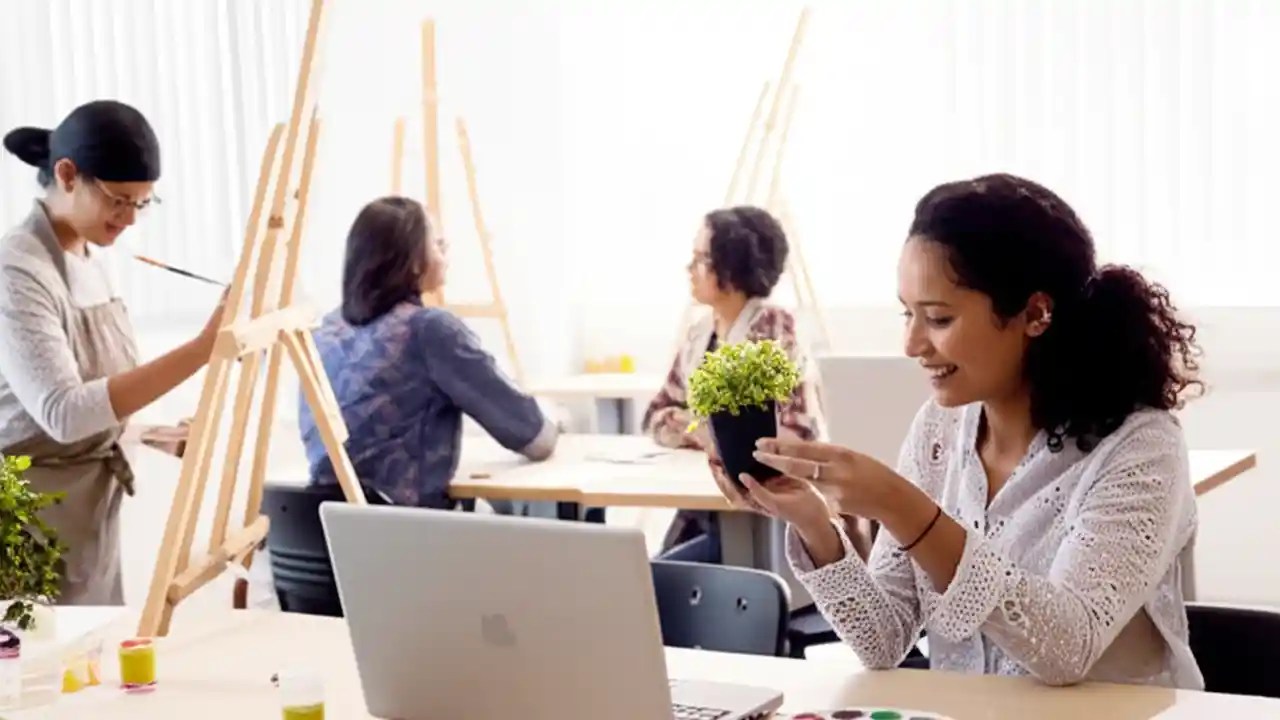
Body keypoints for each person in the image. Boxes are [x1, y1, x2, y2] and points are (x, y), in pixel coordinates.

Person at [715, 173, 1205, 689]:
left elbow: (1067, 647)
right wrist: (816, 525)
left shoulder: (1141, 447)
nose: (912, 344)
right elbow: (884, 640)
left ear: (1035, 312)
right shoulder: (939, 431)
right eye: (908, 315)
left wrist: (902, 507)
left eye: (939, 318)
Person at [0, 100, 226, 605]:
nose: (129, 219)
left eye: (142, 203)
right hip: (25, 527)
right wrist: (204, 348)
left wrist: (153, 435)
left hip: (85, 521)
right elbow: (61, 413)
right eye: (119, 201)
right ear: (67, 175)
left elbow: (96, 405)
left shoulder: (86, 254)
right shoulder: (18, 269)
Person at [298, 196, 557, 509]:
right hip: (408, 539)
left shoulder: (323, 332)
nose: (446, 252)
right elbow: (536, 438)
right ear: (415, 262)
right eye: (437, 243)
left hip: (328, 537)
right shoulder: (429, 330)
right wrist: (556, 418)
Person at [641, 205, 826, 563]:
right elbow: (656, 415)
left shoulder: (773, 327)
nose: (689, 269)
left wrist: (697, 429)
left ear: (731, 265)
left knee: (654, 581)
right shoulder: (701, 333)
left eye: (700, 259)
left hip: (769, 516)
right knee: (649, 573)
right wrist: (708, 434)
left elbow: (784, 439)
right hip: (710, 506)